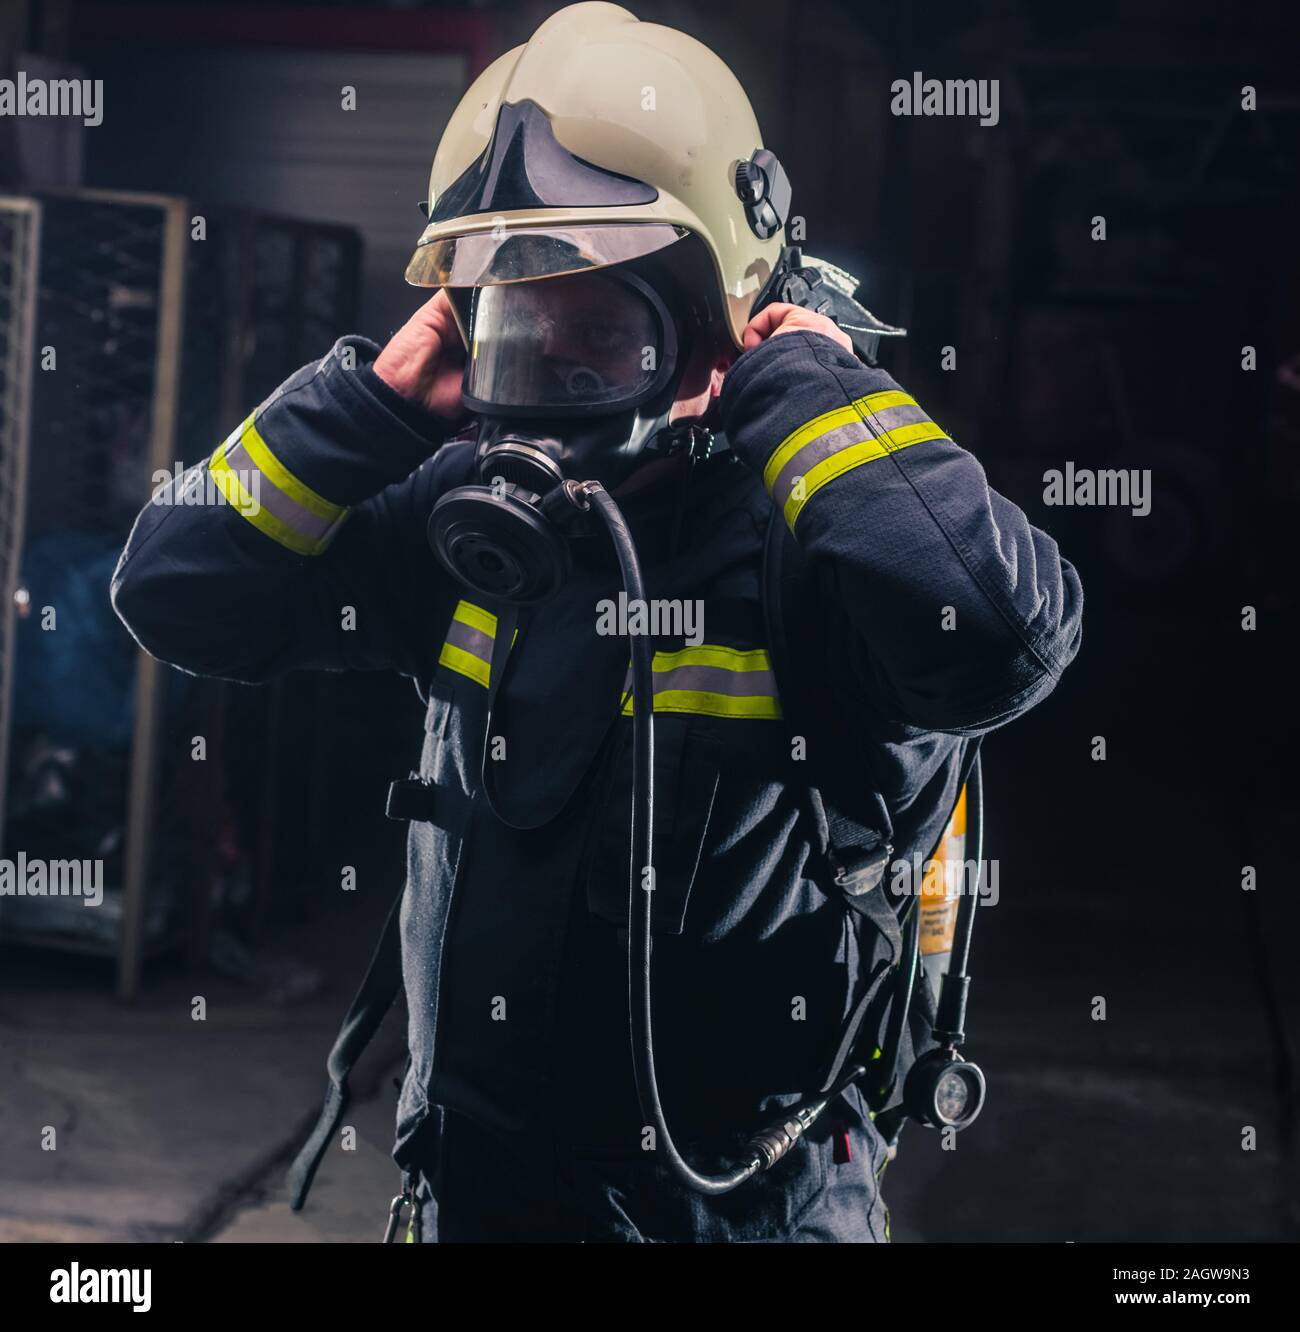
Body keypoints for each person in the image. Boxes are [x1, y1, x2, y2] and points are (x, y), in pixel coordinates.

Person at [112, 2, 1082, 1242]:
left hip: (749, 1211)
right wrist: (364, 407)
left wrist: (812, 396)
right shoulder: (467, 533)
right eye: (516, 324)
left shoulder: (824, 544)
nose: (555, 372)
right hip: (483, 1195)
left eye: (601, 328)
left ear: (719, 317)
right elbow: (175, 592)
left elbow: (999, 641)